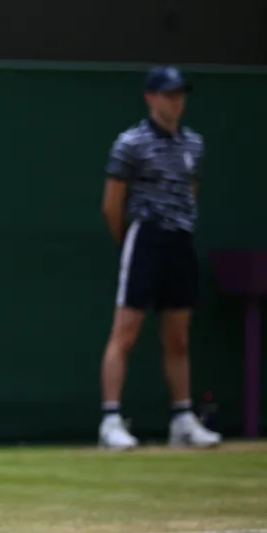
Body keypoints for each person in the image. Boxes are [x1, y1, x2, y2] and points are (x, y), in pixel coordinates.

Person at [97, 65, 221, 451]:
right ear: (151, 98)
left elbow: (191, 193)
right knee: (126, 333)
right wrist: (132, 241)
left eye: (180, 94)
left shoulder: (194, 145)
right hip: (144, 238)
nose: (176, 101)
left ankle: (183, 419)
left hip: (180, 240)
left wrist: (177, 229)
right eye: (168, 94)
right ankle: (111, 420)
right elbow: (111, 205)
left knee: (178, 338)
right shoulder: (130, 143)